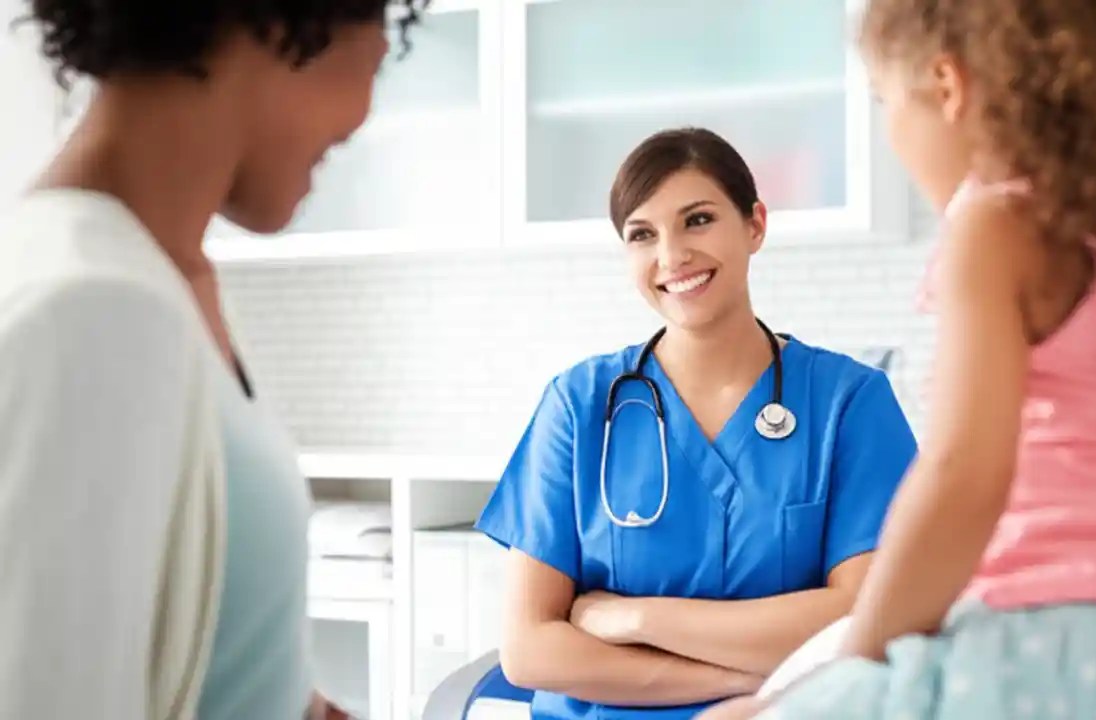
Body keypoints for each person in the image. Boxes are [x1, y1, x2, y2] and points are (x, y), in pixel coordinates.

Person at [703, 1, 1096, 719]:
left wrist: (854, 664)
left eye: (888, 102)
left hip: (1031, 648)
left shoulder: (997, 226)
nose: (891, 132)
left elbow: (961, 477)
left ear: (946, 87)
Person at [0, 1, 430, 718]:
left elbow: (195, 651)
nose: (362, 115)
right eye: (381, 40)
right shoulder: (89, 309)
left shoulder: (159, 278)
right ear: (283, 19)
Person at [474, 126, 918, 720]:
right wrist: (742, 678)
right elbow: (529, 651)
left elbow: (869, 613)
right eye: (642, 234)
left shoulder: (849, 402)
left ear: (755, 224)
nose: (672, 256)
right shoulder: (579, 405)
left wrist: (634, 617)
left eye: (698, 220)